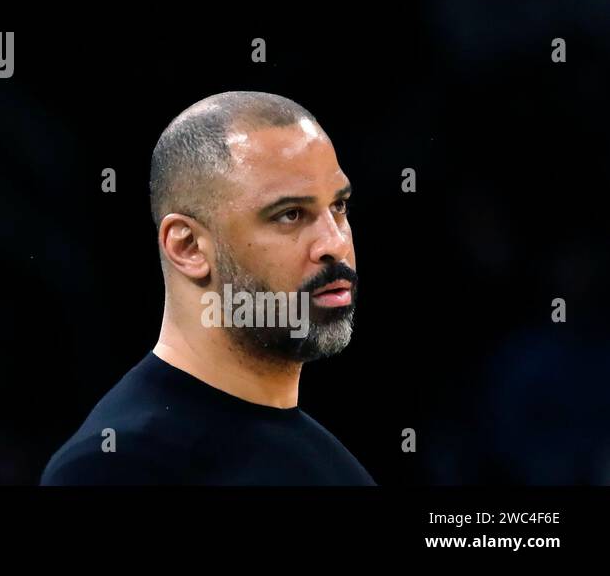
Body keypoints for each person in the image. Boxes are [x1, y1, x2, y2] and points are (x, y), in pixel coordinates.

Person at [42, 91, 375, 485]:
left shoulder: (336, 467)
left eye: (339, 207)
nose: (334, 243)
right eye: (290, 214)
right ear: (188, 247)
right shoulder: (115, 466)